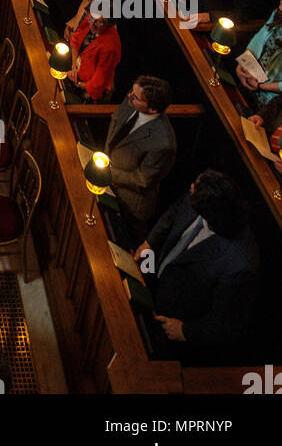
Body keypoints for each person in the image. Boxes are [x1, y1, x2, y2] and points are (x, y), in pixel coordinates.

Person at [137, 170, 259, 361]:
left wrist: (186, 331)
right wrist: (149, 243)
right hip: (154, 281)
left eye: (193, 191)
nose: (190, 189)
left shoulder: (240, 264)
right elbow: (174, 212)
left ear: (210, 214)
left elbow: (225, 324)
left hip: (173, 325)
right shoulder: (203, 192)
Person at [104, 75, 176, 243]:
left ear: (152, 110)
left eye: (135, 97)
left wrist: (108, 174)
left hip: (128, 202)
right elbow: (115, 125)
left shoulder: (163, 143)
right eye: (131, 91)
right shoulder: (131, 100)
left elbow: (142, 180)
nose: (129, 95)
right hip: (109, 174)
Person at [64, 0, 121, 101]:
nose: (92, 24)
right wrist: (73, 67)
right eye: (91, 19)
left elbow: (99, 83)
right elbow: (76, 38)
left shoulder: (110, 45)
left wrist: (78, 84)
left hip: (88, 89)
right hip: (77, 70)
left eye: (99, 22)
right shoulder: (93, 13)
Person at [236, 0, 282, 107]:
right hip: (249, 80)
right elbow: (258, 39)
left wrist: (260, 86)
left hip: (271, 103)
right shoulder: (278, 13)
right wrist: (242, 66)